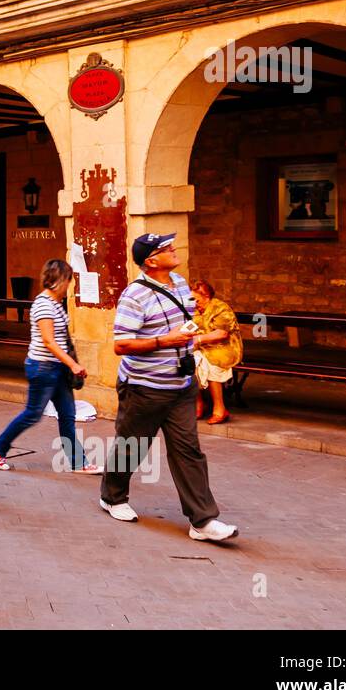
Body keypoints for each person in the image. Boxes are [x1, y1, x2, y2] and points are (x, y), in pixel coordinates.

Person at [100, 232, 238, 542]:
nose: (173, 249)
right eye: (165, 248)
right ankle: (112, 496)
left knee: (188, 451)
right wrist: (165, 341)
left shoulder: (180, 284)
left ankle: (202, 521)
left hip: (181, 385)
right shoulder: (133, 296)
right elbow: (121, 345)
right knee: (132, 446)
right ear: (150, 261)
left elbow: (187, 327)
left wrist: (191, 341)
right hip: (144, 388)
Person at [0, 258, 103, 475]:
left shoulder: (56, 303)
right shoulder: (43, 304)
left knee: (67, 415)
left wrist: (68, 364)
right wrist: (73, 364)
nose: (71, 285)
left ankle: (78, 462)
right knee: (33, 413)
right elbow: (49, 341)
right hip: (42, 368)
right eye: (69, 280)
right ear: (60, 280)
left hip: (57, 369)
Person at [190, 279, 243, 425]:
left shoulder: (220, 308)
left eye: (196, 299)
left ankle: (220, 409)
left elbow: (222, 334)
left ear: (206, 296)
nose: (193, 302)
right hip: (203, 346)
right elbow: (188, 327)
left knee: (211, 363)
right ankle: (199, 403)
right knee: (188, 361)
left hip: (225, 347)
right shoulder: (194, 310)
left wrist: (198, 339)